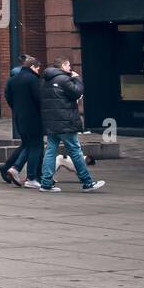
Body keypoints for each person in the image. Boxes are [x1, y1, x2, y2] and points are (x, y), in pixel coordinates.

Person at [36, 58, 106, 193]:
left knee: (50, 152)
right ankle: (87, 182)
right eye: (68, 65)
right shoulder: (63, 79)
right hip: (65, 122)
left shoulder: (44, 81)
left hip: (51, 123)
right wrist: (77, 78)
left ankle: (45, 183)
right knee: (75, 151)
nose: (70, 68)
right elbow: (77, 92)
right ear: (62, 66)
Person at [0, 55, 43, 187]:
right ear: (33, 67)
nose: (38, 71)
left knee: (27, 145)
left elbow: (9, 98)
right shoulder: (33, 79)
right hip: (33, 118)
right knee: (36, 146)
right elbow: (39, 99)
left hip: (19, 117)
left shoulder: (12, 80)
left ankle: (13, 168)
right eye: (38, 68)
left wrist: (17, 110)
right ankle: (31, 177)